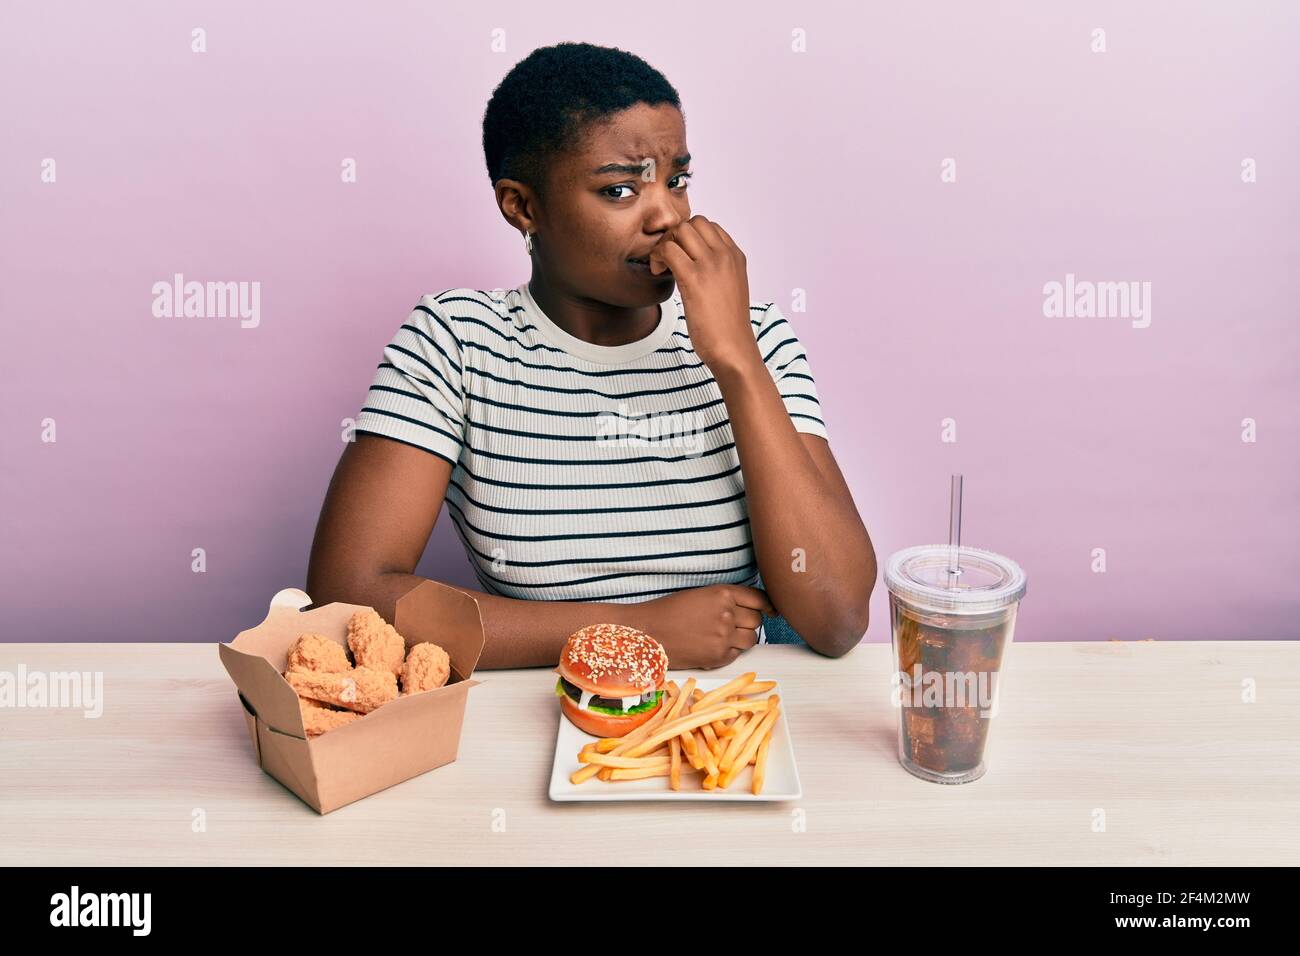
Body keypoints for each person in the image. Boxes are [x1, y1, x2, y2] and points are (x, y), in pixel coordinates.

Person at [306, 41, 875, 670]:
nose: (667, 216)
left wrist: (737, 361)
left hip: (742, 710)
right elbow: (347, 597)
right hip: (552, 713)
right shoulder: (458, 343)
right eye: (620, 190)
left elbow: (839, 618)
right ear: (523, 207)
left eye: (676, 180)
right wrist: (634, 632)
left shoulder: (755, 335)